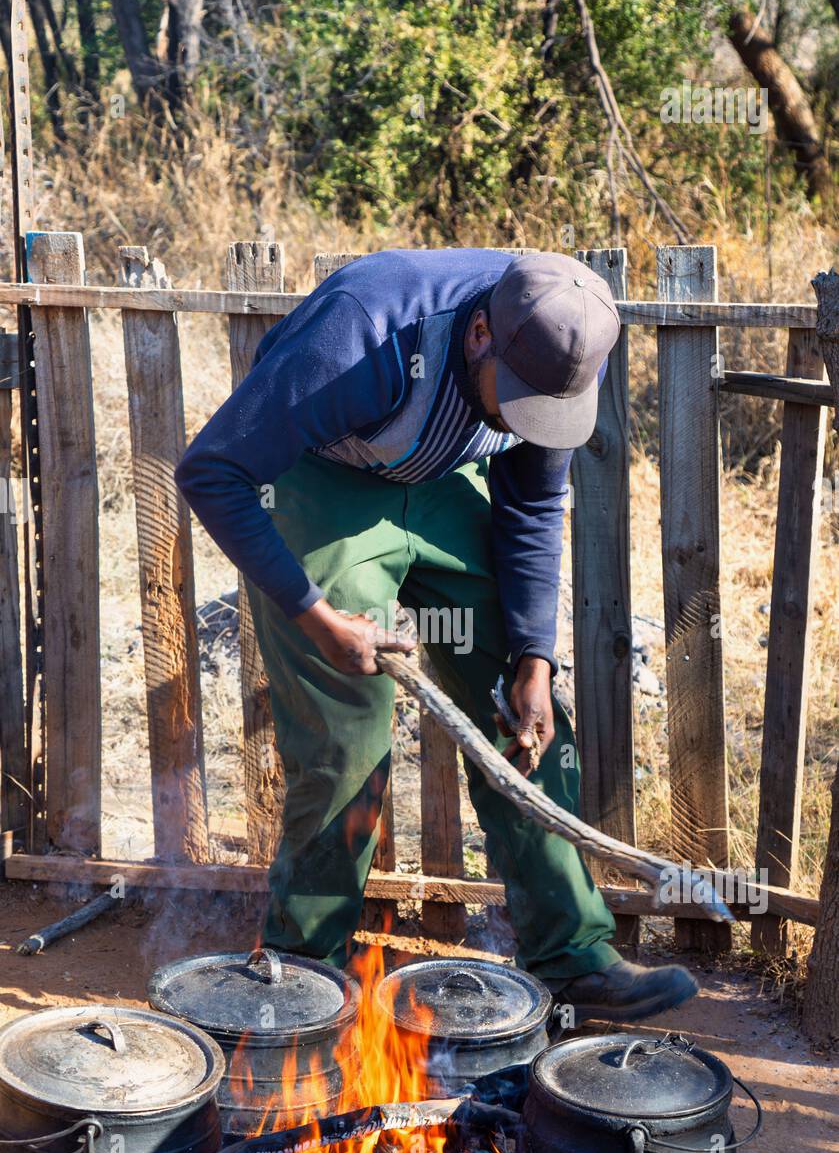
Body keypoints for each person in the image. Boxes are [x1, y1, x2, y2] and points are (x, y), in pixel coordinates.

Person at [176, 248, 698, 1024]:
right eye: (514, 400)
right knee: (344, 736)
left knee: (526, 721)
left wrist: (530, 657)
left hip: (440, 479)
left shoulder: (554, 360)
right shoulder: (361, 336)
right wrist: (317, 618)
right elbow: (211, 470)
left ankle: (571, 954)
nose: (525, 420)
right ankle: (300, 973)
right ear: (480, 332)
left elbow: (526, 512)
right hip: (328, 483)